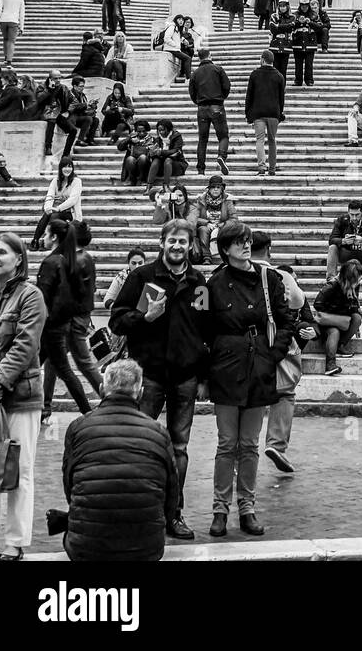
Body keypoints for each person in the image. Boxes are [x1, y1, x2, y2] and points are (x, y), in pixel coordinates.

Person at [110, 219, 209, 541]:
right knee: (139, 445)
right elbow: (117, 322)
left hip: (185, 377)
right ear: (162, 242)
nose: (177, 246)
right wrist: (146, 317)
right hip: (149, 376)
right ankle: (137, 511)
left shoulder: (199, 282)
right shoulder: (141, 277)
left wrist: (203, 375)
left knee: (179, 447)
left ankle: (173, 514)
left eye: (183, 241)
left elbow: (205, 329)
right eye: (172, 241)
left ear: (190, 244)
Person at [204, 221, 293, 538]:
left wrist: (273, 355)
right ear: (225, 249)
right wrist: (205, 372)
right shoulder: (210, 284)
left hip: (259, 366)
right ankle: (219, 509)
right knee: (227, 443)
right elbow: (202, 329)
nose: (246, 245)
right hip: (226, 368)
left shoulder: (269, 278)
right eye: (238, 241)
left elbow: (286, 321)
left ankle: (247, 508)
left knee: (250, 445)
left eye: (247, 240)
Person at [61, 358, 179, 562]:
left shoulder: (78, 427)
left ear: (101, 389)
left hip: (86, 549)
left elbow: (69, 483)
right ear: (140, 393)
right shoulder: (158, 432)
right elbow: (172, 492)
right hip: (146, 549)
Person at [0, 231, 46, 561]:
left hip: (20, 395)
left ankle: (15, 540)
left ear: (18, 259)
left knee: (18, 468)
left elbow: (25, 346)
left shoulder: (30, 295)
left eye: (2, 253)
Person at [250, 231, 317, 475]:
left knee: (249, 395)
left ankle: (244, 448)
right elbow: (298, 302)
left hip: (244, 342)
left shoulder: (232, 273)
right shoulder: (280, 274)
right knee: (285, 391)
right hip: (277, 339)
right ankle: (276, 443)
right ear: (268, 249)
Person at [42, 222, 103, 417]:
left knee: (81, 362)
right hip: (78, 317)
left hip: (72, 318)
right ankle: (46, 403)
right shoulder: (84, 258)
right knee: (55, 361)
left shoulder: (73, 260)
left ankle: (110, 400)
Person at [313, 260, 362, 375]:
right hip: (327, 321)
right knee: (334, 332)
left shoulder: (354, 285)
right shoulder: (332, 285)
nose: (359, 280)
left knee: (357, 318)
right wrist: (340, 314)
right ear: (349, 277)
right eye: (357, 278)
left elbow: (354, 303)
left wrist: (354, 314)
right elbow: (318, 304)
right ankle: (330, 364)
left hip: (343, 320)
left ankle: (340, 345)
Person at [189, 46, 231, 175]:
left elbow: (192, 92)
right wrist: (220, 98)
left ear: (199, 57)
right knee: (223, 136)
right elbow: (227, 86)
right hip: (216, 105)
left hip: (202, 108)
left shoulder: (195, 73)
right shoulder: (218, 69)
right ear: (210, 55)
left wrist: (199, 102)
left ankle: (201, 169)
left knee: (202, 139)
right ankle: (221, 156)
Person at [326, 199, 362, 290]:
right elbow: (332, 240)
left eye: (357, 215)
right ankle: (331, 281)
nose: (354, 218)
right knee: (332, 247)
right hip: (347, 254)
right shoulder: (341, 220)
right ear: (348, 212)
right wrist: (344, 241)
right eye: (351, 215)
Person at [245, 48, 285, 177]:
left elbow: (249, 96)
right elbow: (281, 98)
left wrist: (248, 114)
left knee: (260, 140)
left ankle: (262, 167)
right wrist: (280, 113)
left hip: (258, 113)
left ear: (262, 59)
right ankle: (272, 169)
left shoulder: (255, 74)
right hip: (274, 113)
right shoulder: (279, 76)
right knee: (272, 140)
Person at [30, 156, 83, 250]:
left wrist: (57, 208)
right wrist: (48, 208)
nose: (67, 169)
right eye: (65, 167)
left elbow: (73, 200)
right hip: (56, 211)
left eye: (69, 166)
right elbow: (49, 196)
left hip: (70, 212)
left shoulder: (77, 181)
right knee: (48, 214)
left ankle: (46, 242)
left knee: (53, 215)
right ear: (60, 168)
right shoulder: (55, 181)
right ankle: (36, 240)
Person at [188, 176, 238, 264]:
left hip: (222, 227)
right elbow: (193, 217)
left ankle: (223, 255)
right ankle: (206, 257)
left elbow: (234, 219)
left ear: (222, 189)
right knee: (203, 229)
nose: (215, 189)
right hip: (207, 227)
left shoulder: (227, 201)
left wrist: (221, 225)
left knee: (221, 231)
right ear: (209, 189)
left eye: (218, 187)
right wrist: (206, 223)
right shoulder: (201, 200)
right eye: (213, 187)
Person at [35, 69, 77, 162]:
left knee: (73, 130)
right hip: (46, 113)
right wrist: (50, 90)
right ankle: (48, 147)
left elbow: (74, 101)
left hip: (59, 113)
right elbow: (39, 99)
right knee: (51, 120)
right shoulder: (42, 87)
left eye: (59, 78)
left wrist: (68, 111)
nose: (58, 80)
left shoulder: (63, 88)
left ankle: (66, 154)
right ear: (50, 79)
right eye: (55, 78)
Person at [146, 118, 187, 191]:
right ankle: (149, 186)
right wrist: (152, 152)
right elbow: (155, 153)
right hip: (162, 166)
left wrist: (161, 152)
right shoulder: (157, 139)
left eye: (163, 130)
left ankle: (166, 185)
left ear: (169, 129)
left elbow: (176, 150)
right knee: (156, 161)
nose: (161, 132)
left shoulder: (177, 136)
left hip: (176, 164)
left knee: (168, 160)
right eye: (159, 130)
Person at [116, 117, 153, 185]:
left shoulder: (152, 139)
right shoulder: (132, 139)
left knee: (143, 158)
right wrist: (129, 139)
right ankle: (131, 179)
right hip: (132, 164)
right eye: (139, 131)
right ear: (136, 131)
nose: (141, 133)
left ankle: (142, 179)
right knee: (130, 159)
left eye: (143, 131)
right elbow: (120, 147)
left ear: (147, 130)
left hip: (145, 166)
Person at [0, 0, 25, 65]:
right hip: (14, 21)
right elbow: (22, 14)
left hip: (3, 20)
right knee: (11, 41)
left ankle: (5, 56)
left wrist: (0, 18)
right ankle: (9, 60)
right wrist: (22, 27)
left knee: (5, 39)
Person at [66, 76, 99, 146]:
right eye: (81, 86)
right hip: (73, 117)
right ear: (75, 86)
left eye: (83, 86)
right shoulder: (70, 95)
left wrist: (92, 106)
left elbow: (84, 106)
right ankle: (80, 140)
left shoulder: (82, 95)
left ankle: (90, 139)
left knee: (96, 120)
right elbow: (75, 107)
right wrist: (86, 105)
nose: (82, 88)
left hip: (81, 115)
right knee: (88, 119)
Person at [269, 0, 295, 81]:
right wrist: (286, 26)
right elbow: (273, 29)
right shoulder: (274, 16)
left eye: (284, 6)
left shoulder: (292, 17)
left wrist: (279, 26)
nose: (282, 8)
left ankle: (282, 88)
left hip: (286, 45)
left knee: (283, 69)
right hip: (275, 45)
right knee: (275, 69)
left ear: (287, 7)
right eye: (280, 6)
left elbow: (290, 28)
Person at [291, 4, 318, 87]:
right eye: (302, 6)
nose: (304, 8)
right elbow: (291, 26)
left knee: (309, 64)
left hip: (310, 43)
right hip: (298, 43)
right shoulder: (295, 15)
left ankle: (309, 80)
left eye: (306, 6)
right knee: (298, 64)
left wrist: (310, 22)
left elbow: (319, 27)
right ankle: (298, 80)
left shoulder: (314, 15)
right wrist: (299, 22)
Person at [162, 14, 194, 82]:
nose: (181, 21)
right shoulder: (172, 27)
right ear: (175, 20)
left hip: (174, 49)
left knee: (187, 57)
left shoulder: (177, 28)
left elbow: (177, 37)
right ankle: (188, 78)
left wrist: (184, 40)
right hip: (170, 49)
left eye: (182, 20)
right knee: (187, 58)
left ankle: (187, 76)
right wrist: (175, 45)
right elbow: (166, 38)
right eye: (179, 19)